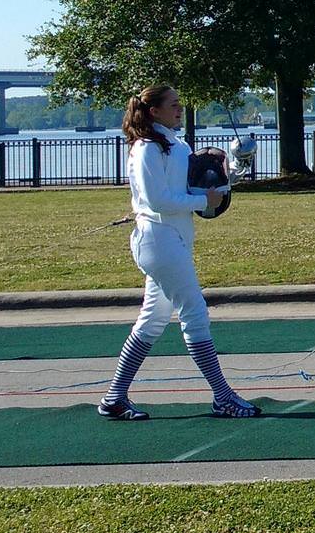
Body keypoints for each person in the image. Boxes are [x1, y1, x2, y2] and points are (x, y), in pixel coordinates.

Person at [96, 85, 262, 421]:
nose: (179, 109)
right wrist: (204, 201)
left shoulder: (175, 143)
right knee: (195, 313)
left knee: (154, 319)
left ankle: (114, 397)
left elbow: (196, 183)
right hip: (158, 240)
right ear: (154, 110)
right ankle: (222, 396)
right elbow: (158, 200)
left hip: (173, 241)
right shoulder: (146, 149)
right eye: (173, 104)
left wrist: (233, 168)